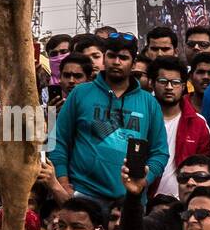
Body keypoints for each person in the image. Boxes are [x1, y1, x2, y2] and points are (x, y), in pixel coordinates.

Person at [48, 33, 168, 203]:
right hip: (83, 196)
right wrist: (63, 182)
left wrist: (145, 181)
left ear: (133, 64)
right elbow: (57, 140)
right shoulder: (80, 93)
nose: (116, 62)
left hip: (129, 201)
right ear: (104, 59)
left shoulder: (149, 103)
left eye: (123, 57)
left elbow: (160, 152)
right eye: (111, 55)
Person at [147, 57, 210, 199]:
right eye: (163, 82)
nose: (169, 87)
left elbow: (204, 170)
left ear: (184, 86)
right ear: (151, 83)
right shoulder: (141, 118)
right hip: (144, 200)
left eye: (175, 82)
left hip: (182, 205)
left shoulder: (198, 124)